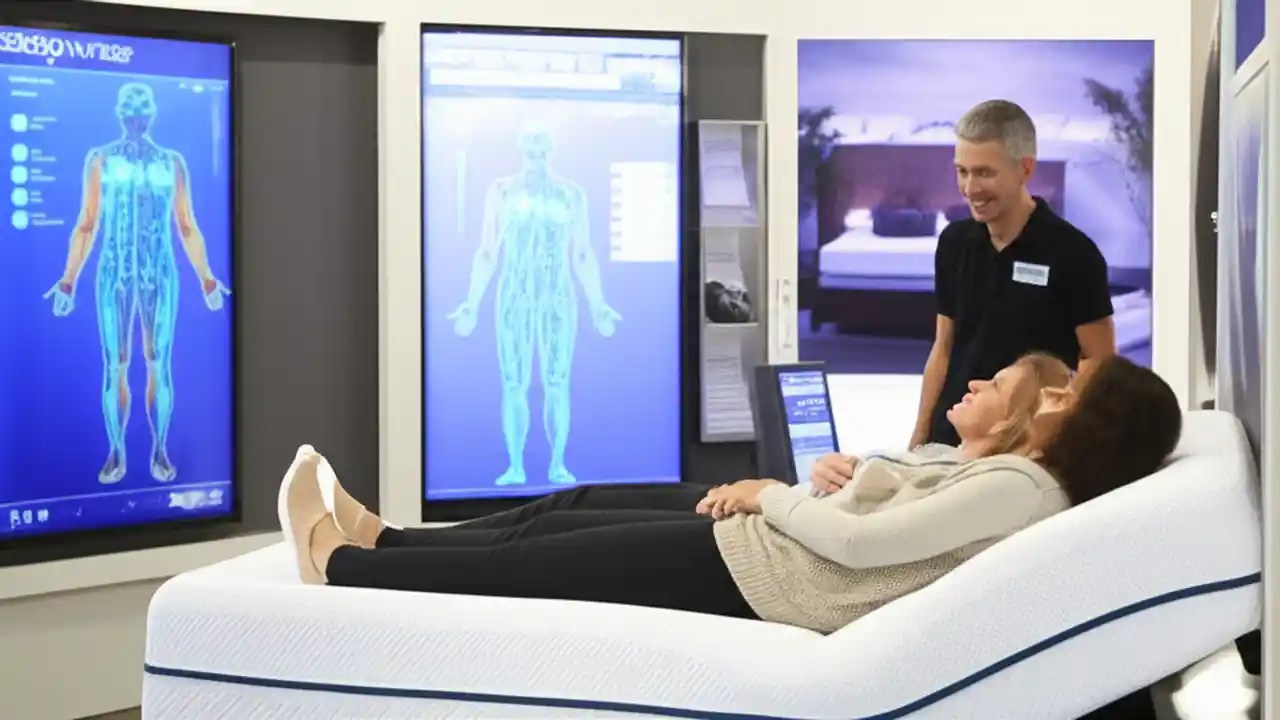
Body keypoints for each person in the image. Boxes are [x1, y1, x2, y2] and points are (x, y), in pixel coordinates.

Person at [279, 355, 1181, 634]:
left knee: (541, 565)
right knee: (567, 516)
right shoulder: (1019, 482)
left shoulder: (1023, 487)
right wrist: (804, 495)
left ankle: (347, 568)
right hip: (775, 553)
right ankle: (388, 541)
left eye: (1074, 393)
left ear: (1097, 424)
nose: (1057, 395)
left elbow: (865, 549)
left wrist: (768, 496)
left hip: (772, 575)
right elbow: (889, 517)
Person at [44, 81, 231, 484]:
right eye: (129, 107)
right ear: (119, 112)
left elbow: (187, 225)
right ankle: (116, 451)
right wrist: (67, 279)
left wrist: (208, 278)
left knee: (159, 364)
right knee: (115, 365)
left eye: (141, 107)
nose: (135, 115)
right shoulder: (101, 160)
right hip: (113, 272)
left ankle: (159, 449)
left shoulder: (172, 163)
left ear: (151, 113)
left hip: (160, 272)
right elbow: (86, 223)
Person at [911, 99, 1117, 450]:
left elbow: (1100, 366)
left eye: (984, 173)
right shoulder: (954, 243)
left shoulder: (1072, 254)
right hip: (951, 443)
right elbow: (943, 348)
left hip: (1024, 449)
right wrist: (919, 436)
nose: (970, 188)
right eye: (962, 171)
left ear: (1025, 169)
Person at [447, 122, 622, 488]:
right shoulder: (502, 191)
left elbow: (583, 253)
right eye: (532, 152)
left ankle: (557, 465)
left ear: (551, 152)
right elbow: (487, 251)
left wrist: (598, 303)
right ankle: (515, 466)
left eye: (543, 153)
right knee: (513, 381)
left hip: (557, 292)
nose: (537, 160)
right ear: (522, 151)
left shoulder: (570, 194)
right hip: (514, 292)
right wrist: (471, 303)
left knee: (558, 380)